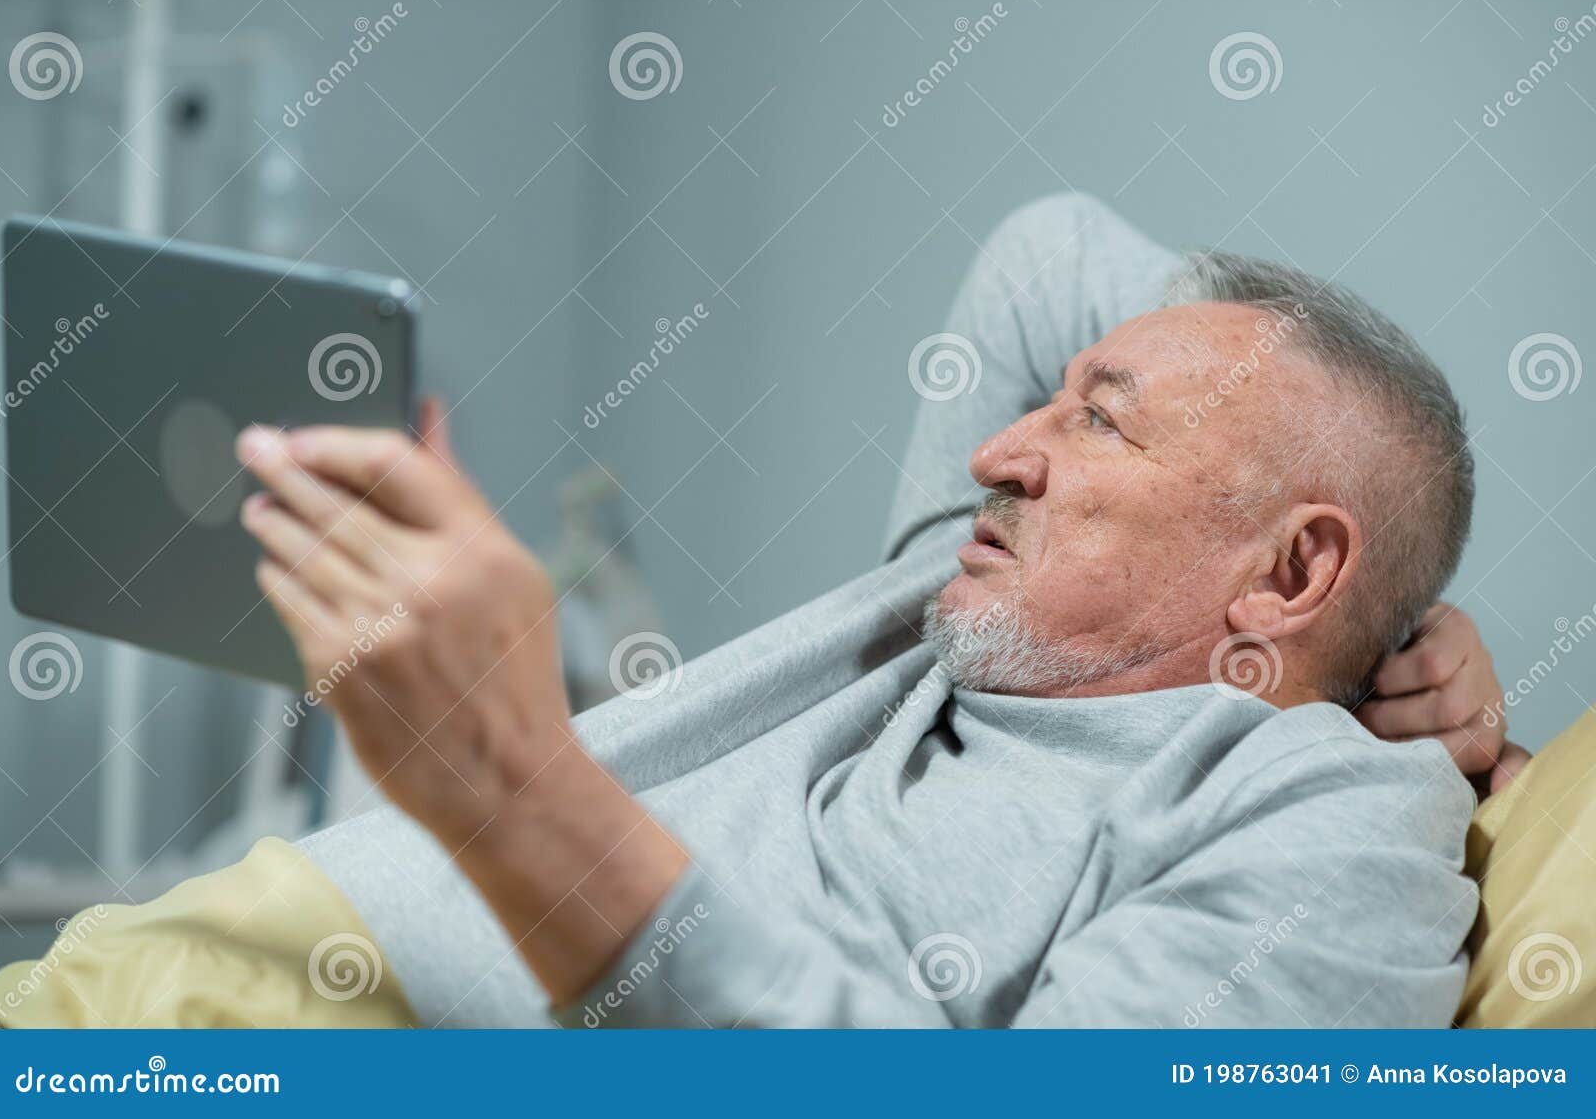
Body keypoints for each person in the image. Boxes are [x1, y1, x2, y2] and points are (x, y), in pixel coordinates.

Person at [226, 192, 1520, 1028]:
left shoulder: (1333, 817)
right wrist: (1392, 621)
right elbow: (1047, 249)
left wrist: (519, 798)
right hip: (191, 962)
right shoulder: (946, 591)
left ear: (1291, 572)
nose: (997, 451)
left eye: (1099, 417)